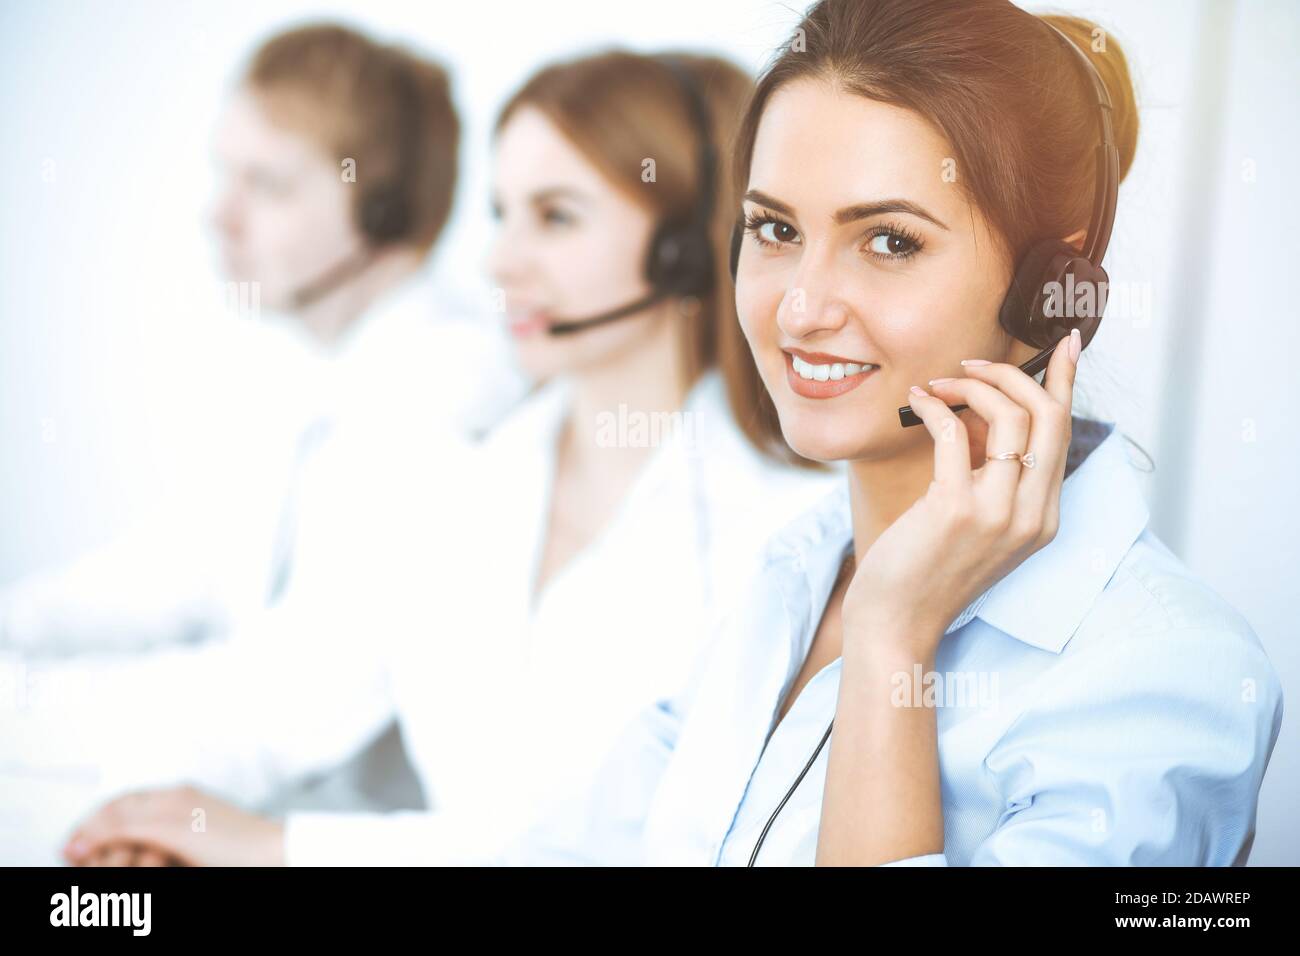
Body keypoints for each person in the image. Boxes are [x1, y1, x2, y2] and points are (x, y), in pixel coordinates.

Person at [497, 0, 1285, 867]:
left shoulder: (1166, 673)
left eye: (890, 241)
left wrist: (890, 640)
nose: (800, 307)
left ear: (1052, 284)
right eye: (777, 229)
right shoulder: (788, 576)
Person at [46, 50, 843, 866]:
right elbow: (285, 702)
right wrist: (136, 823)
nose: (499, 260)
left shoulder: (789, 528)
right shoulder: (464, 474)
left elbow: (643, 844)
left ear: (683, 244)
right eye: (501, 214)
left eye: (556, 216)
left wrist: (280, 848)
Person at [0, 23, 527, 658]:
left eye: (268, 184)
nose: (219, 214)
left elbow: (289, 695)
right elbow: (168, 573)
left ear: (382, 210)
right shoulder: (317, 385)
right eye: (226, 175)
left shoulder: (451, 387)